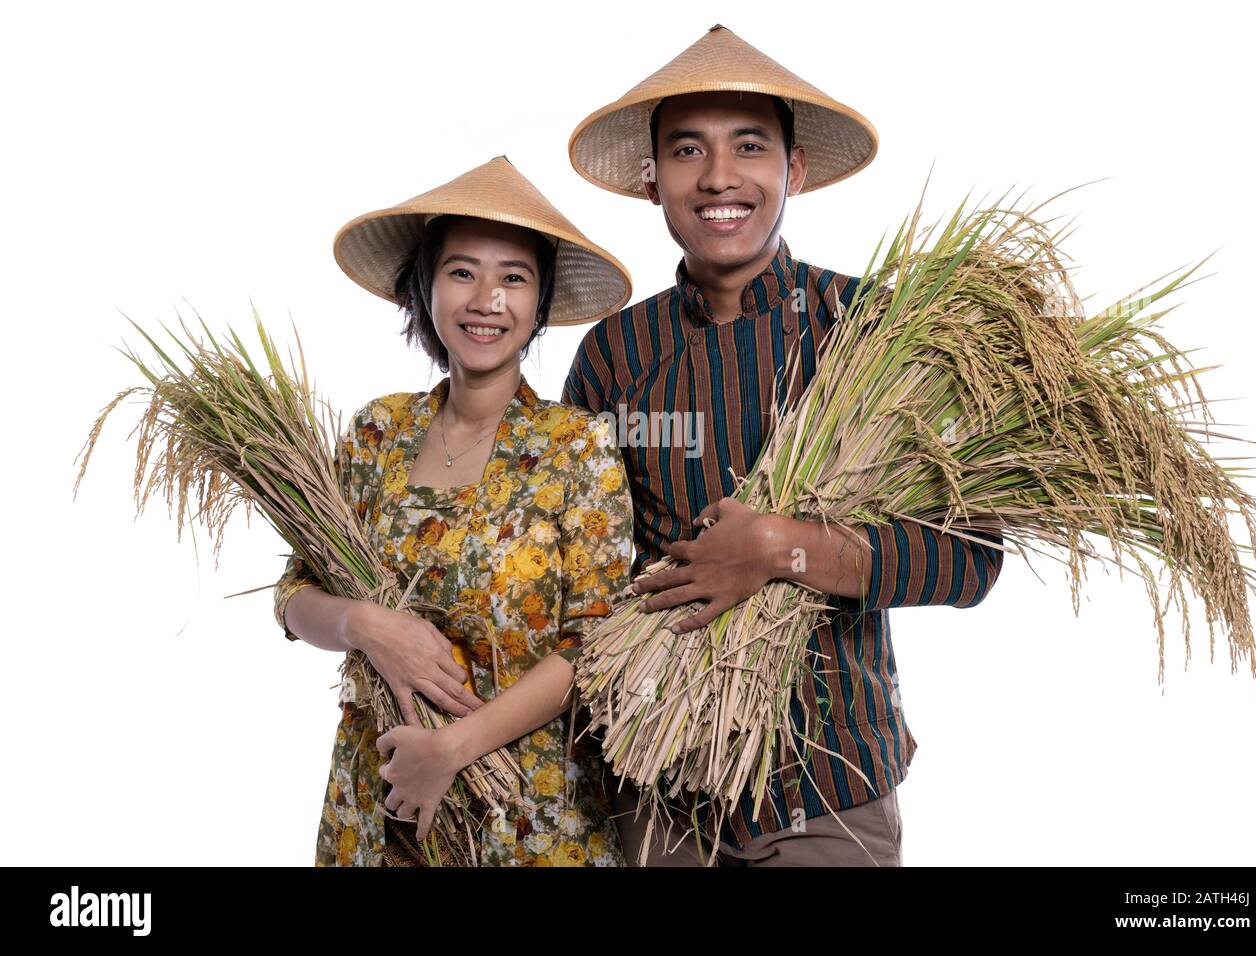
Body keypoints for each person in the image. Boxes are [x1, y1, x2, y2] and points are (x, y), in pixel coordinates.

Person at [564, 25, 1005, 866]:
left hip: (831, 784)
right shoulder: (612, 356)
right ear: (652, 179)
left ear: (792, 171)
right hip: (656, 783)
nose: (720, 177)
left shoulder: (876, 332)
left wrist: (782, 550)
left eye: (750, 148)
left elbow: (971, 561)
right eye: (688, 150)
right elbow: (580, 578)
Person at [272, 155, 637, 866]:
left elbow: (594, 646)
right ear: (426, 287)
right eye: (462, 271)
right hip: (375, 801)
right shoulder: (380, 430)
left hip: (529, 814)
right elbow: (293, 596)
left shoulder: (575, 444)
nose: (486, 299)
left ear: (539, 303)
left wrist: (450, 749)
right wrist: (365, 624)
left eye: (514, 278)